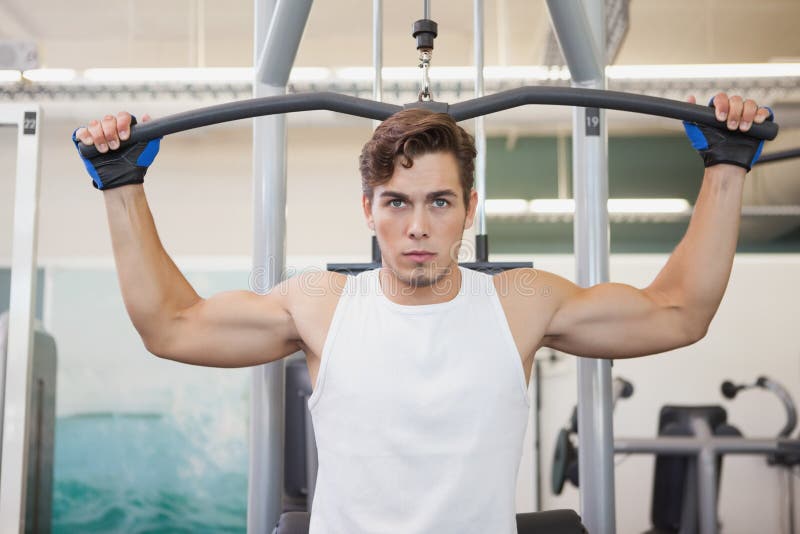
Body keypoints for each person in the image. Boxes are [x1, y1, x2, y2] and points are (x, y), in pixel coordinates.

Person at [72, 93, 772, 534]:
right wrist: (122, 184)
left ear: (469, 209)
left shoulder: (518, 302)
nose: (417, 228)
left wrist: (727, 168)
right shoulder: (323, 303)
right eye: (397, 203)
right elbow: (171, 326)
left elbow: (680, 313)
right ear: (369, 210)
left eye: (439, 202)